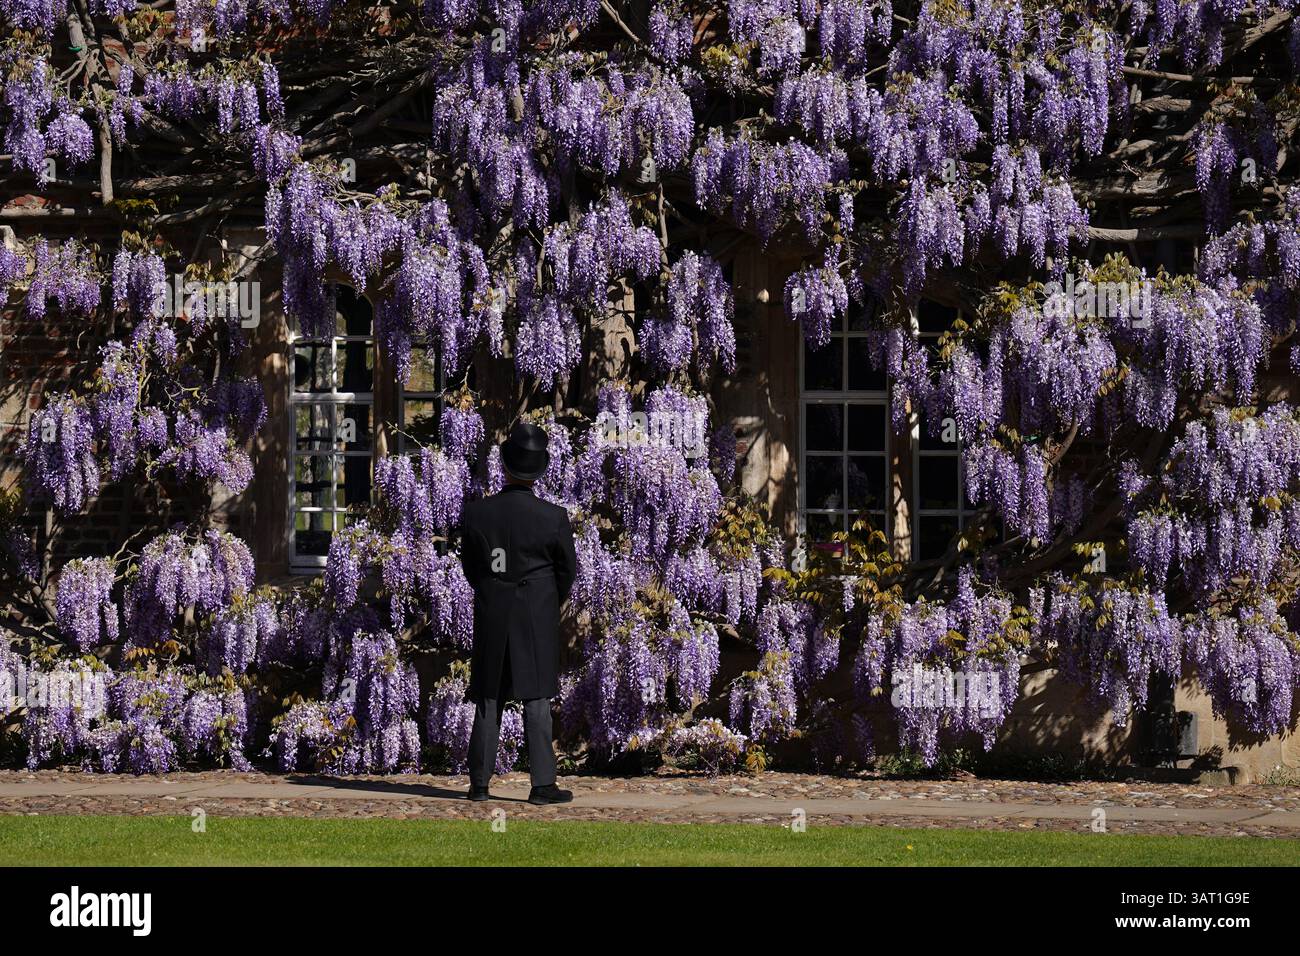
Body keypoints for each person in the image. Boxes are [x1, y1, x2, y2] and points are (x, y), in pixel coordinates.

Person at [458, 421, 578, 804]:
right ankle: (542, 785)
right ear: (539, 470)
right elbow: (567, 572)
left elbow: (472, 568)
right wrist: (544, 599)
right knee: (537, 697)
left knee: (488, 696)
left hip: (494, 610)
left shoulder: (478, 514)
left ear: (504, 466)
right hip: (536, 613)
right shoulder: (553, 517)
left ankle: (479, 784)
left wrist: (495, 591)